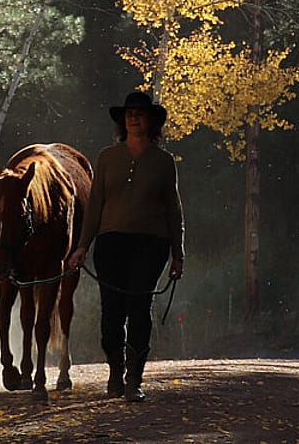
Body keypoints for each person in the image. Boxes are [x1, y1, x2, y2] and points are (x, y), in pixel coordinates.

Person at [66, 90, 185, 403]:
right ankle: (115, 372)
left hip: (151, 243)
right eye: (129, 114)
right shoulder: (107, 157)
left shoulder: (163, 161)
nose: (134, 119)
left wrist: (178, 254)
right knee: (111, 312)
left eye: (140, 114)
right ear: (122, 121)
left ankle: (134, 379)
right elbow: (95, 205)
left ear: (151, 121)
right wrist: (82, 246)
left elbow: (173, 209)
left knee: (139, 306)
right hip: (111, 242)